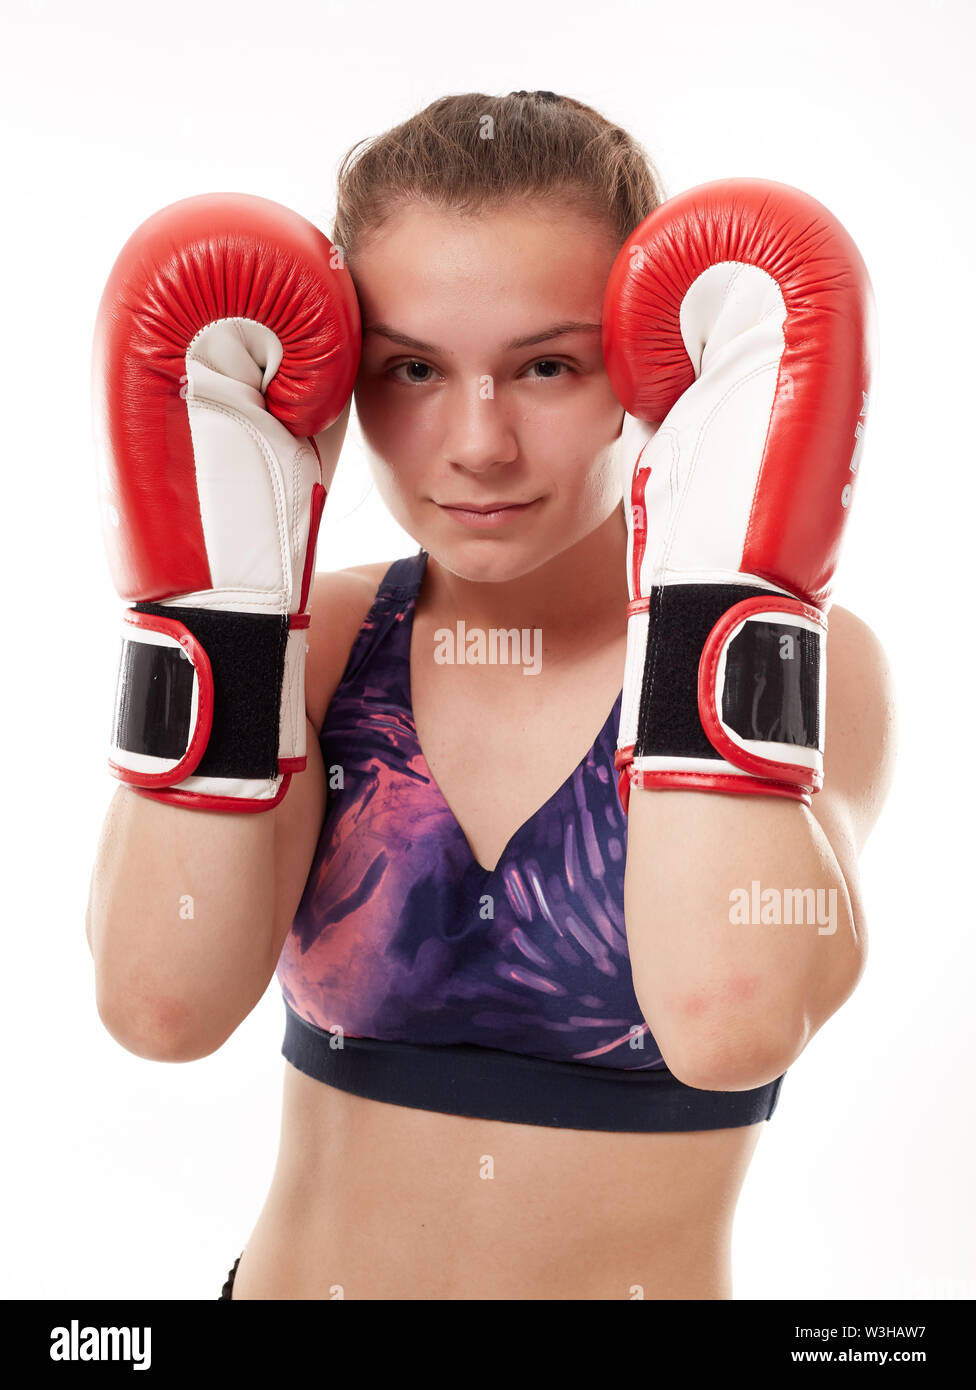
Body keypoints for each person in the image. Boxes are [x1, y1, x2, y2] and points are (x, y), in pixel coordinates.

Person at [86, 91, 896, 1301]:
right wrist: (219, 611)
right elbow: (159, 1003)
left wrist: (722, 580)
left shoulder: (804, 664)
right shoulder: (321, 648)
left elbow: (731, 1024)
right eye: (411, 367)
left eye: (548, 365)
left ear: (651, 364)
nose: (478, 443)